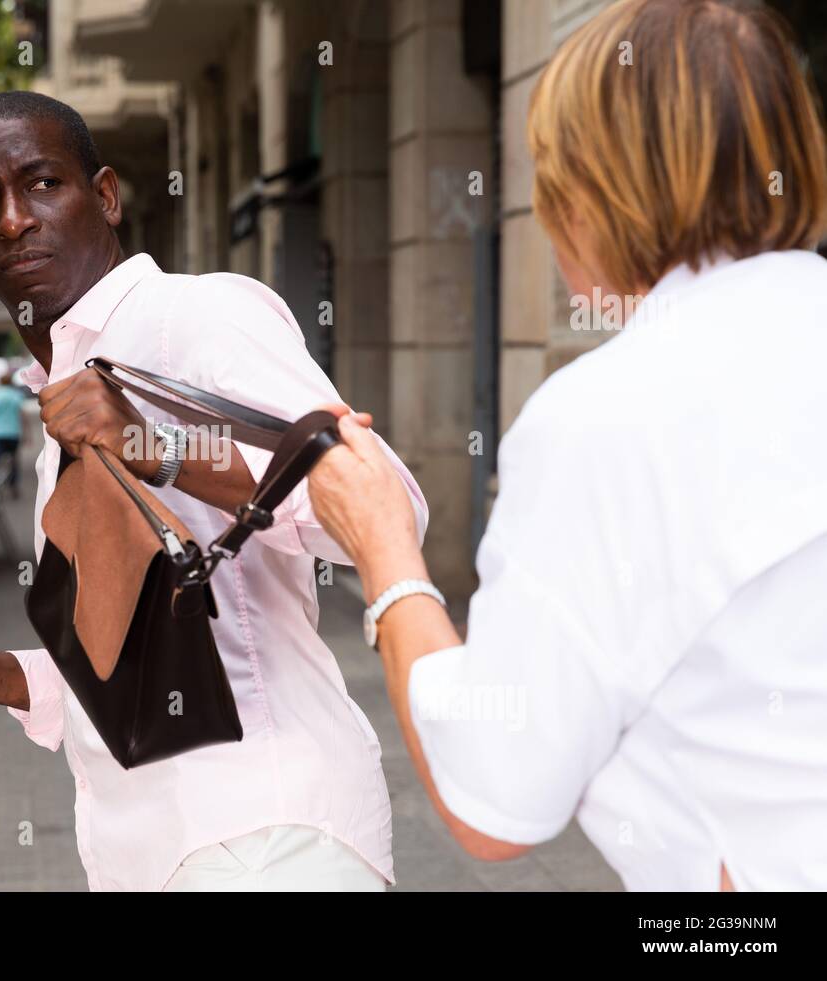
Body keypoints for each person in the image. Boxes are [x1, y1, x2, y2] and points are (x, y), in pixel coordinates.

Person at [303, 0, 827, 891]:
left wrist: (386, 552)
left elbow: (494, 799)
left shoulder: (610, 414)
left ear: (592, 188)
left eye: (546, 173)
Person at [0, 90, 429, 891]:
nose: (12, 219)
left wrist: (151, 444)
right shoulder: (61, 391)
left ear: (104, 195)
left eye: (41, 183)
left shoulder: (191, 315)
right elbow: (135, 657)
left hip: (264, 836)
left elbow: (383, 501)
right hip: (161, 856)